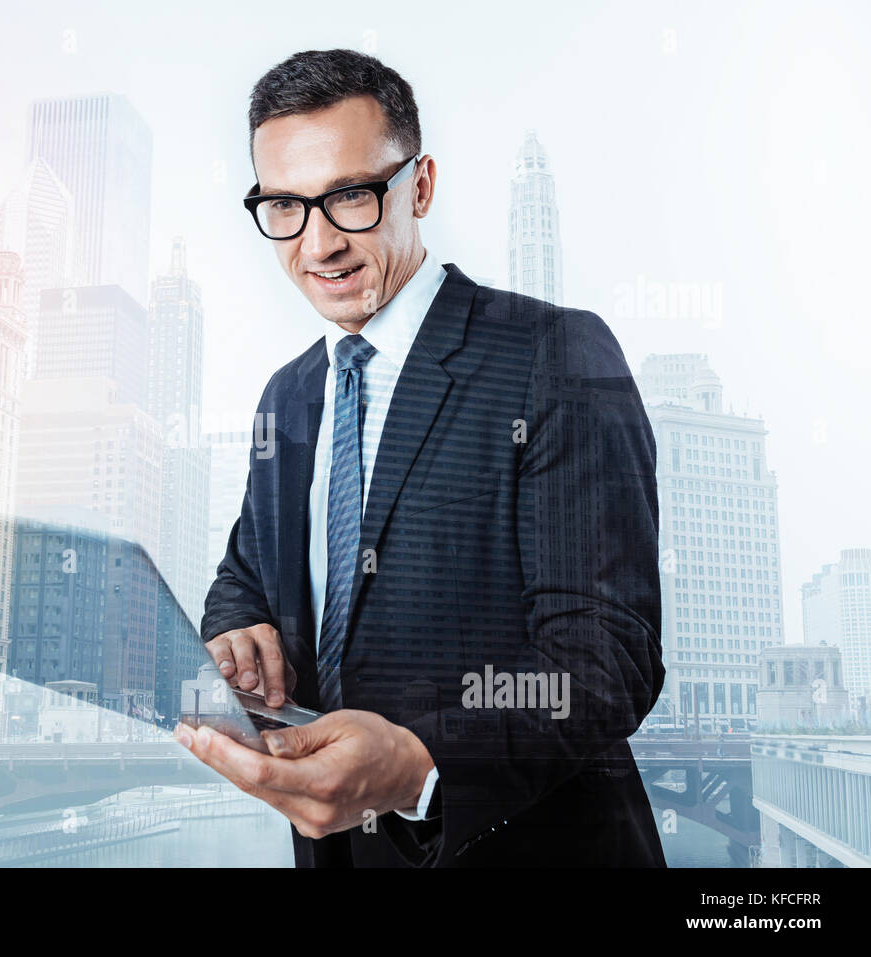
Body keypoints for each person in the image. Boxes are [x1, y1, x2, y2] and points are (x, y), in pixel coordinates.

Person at [173, 49, 666, 867]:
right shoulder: (287, 398)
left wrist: (421, 762)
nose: (318, 242)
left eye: (351, 198)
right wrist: (237, 630)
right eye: (286, 207)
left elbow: (605, 659)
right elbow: (247, 572)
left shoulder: (555, 356)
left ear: (421, 186)